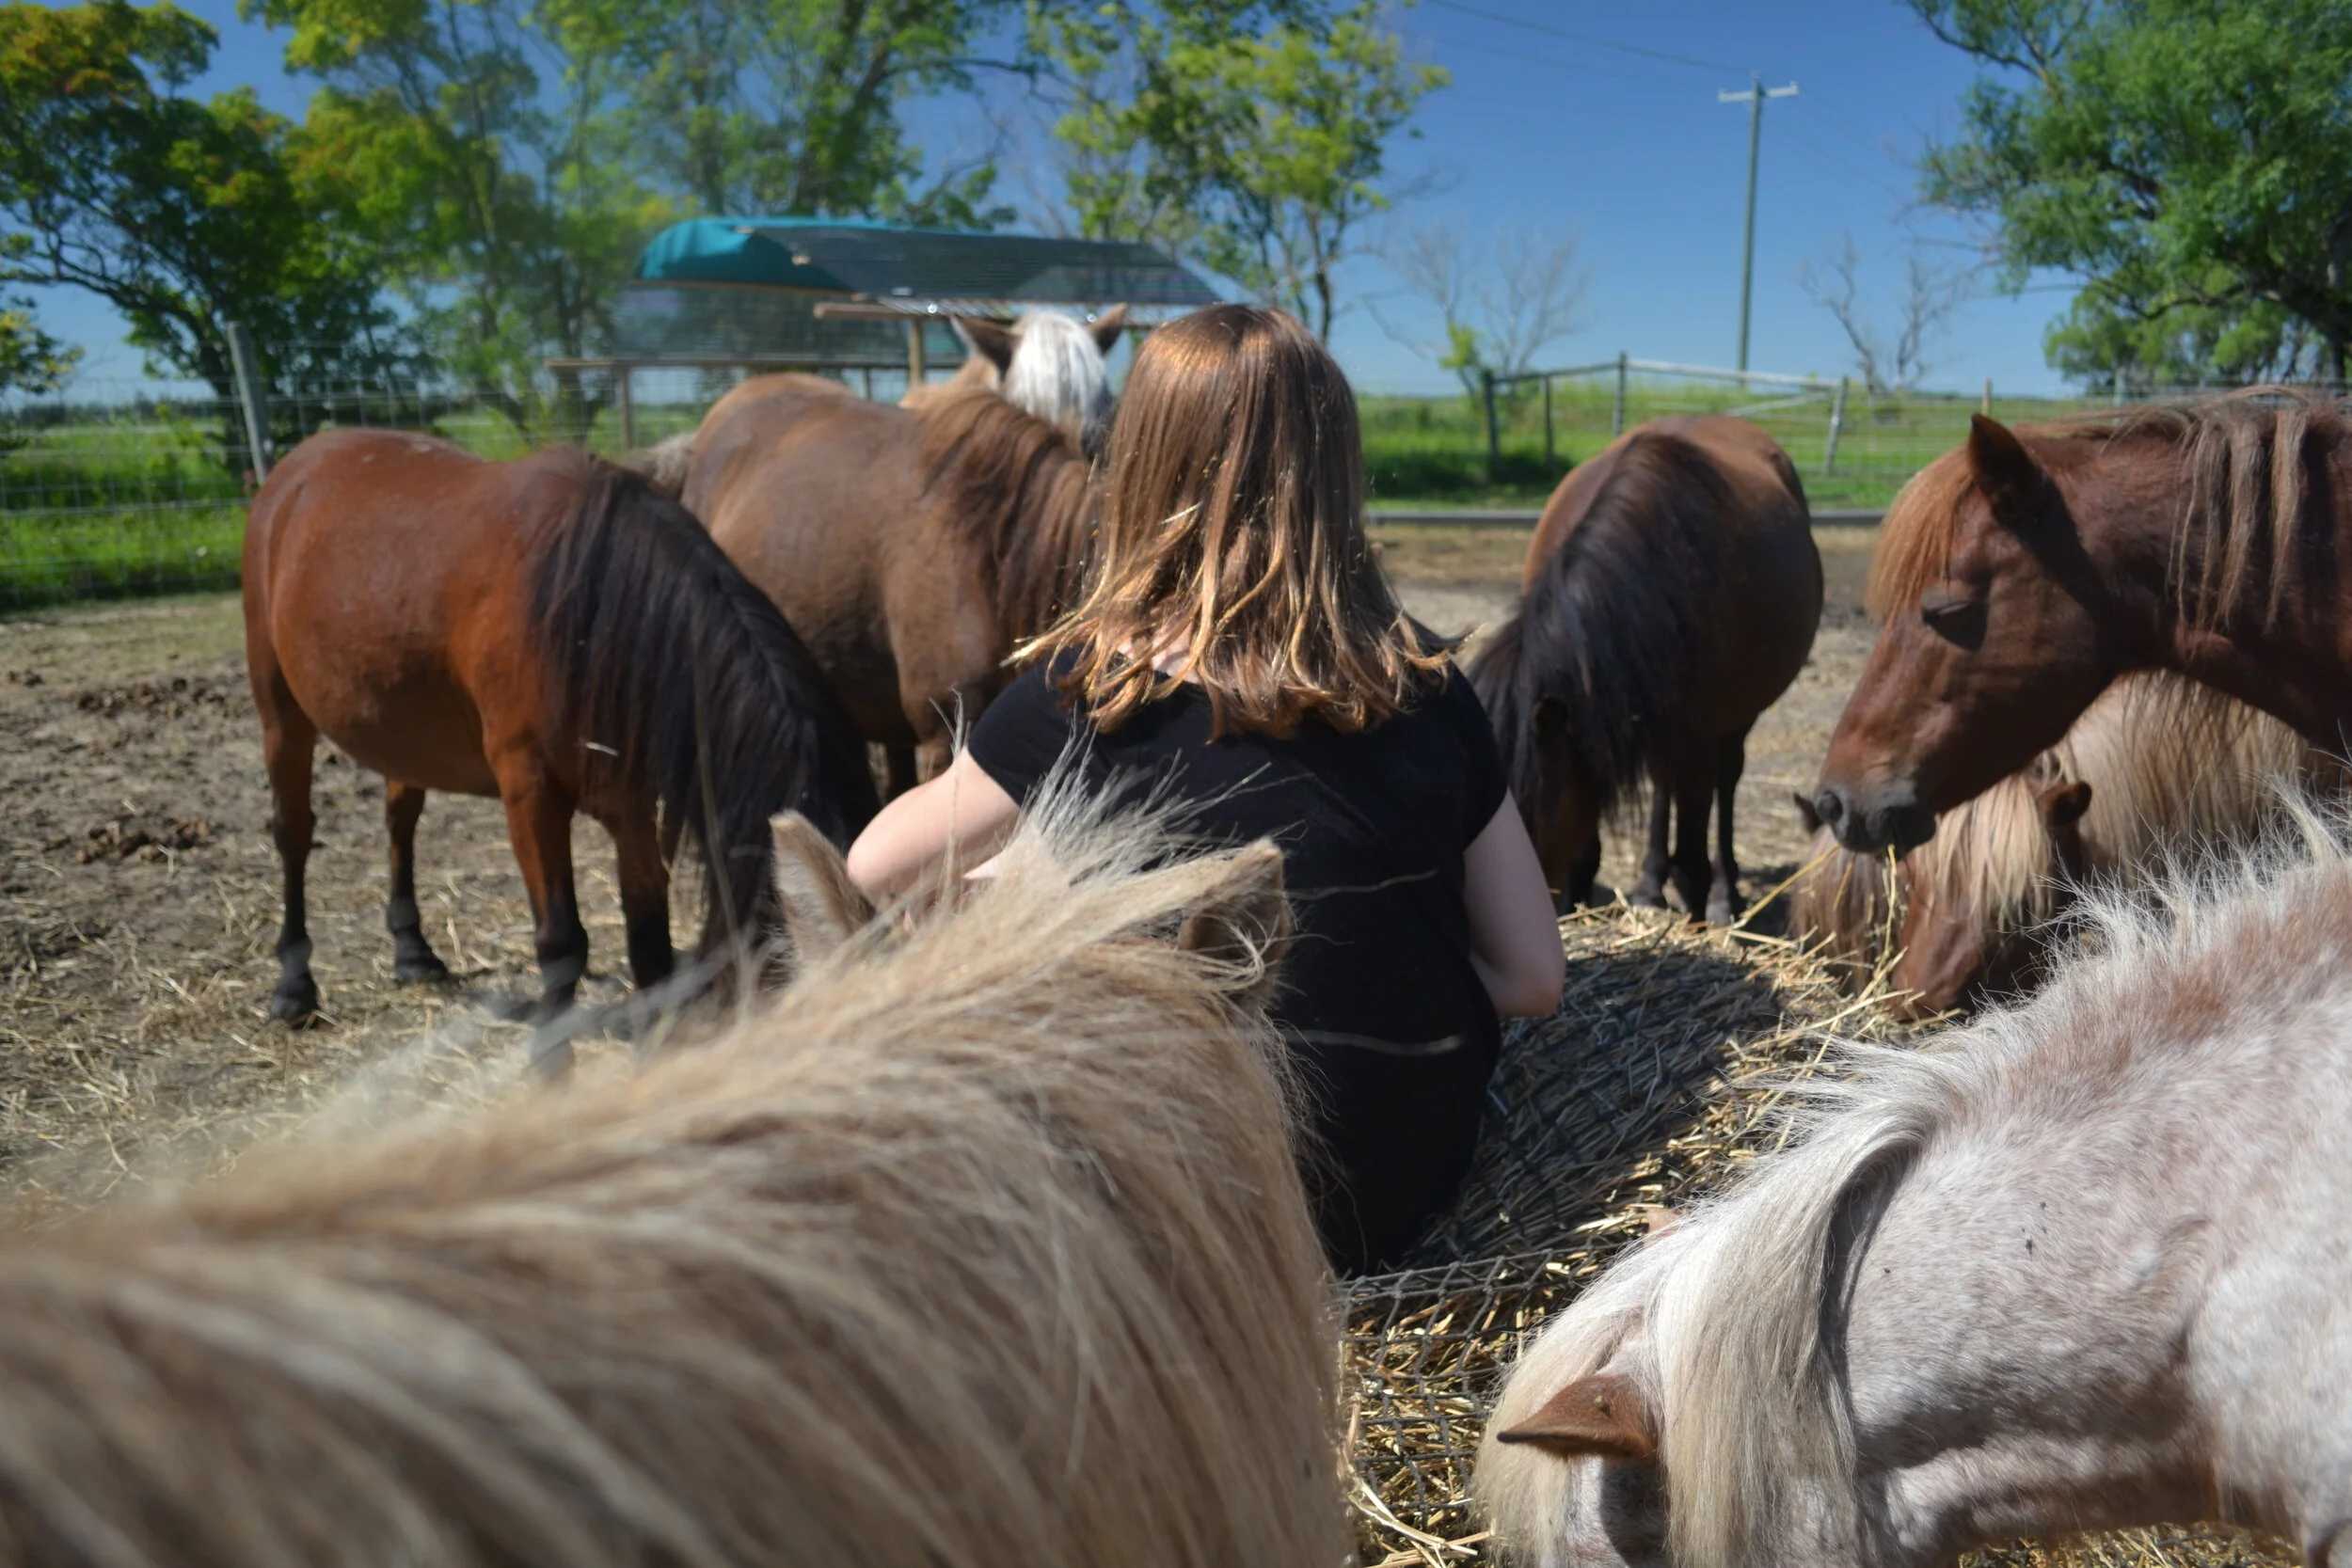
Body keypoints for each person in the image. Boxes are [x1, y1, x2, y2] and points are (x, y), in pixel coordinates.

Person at [845, 304, 1564, 1274]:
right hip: (1396, 1197)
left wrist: (1040, 900)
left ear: (1139, 468)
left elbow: (875, 865)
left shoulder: (1089, 691)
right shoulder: (1428, 687)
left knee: (1009, 864)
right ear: (1338, 472)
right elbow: (1533, 976)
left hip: (1186, 1205)